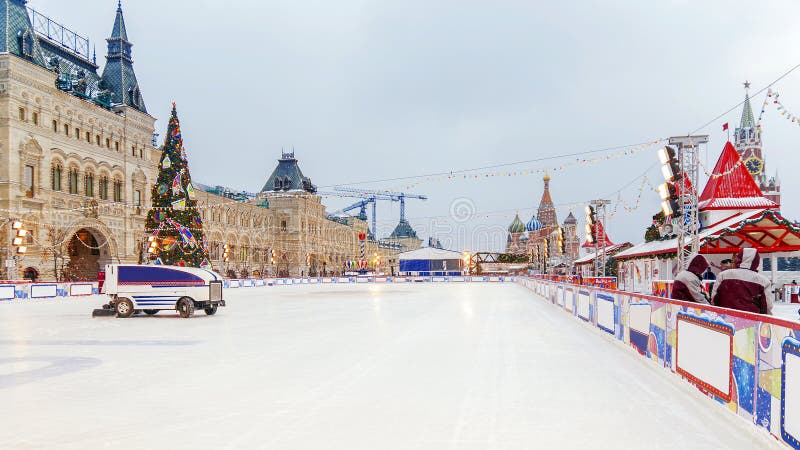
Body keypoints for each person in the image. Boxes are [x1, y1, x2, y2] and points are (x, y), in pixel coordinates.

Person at [711, 248, 772, 315]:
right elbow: (767, 305)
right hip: (751, 320)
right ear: (756, 262)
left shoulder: (723, 275)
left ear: (738, 259)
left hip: (725, 317)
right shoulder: (763, 281)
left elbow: (714, 298)